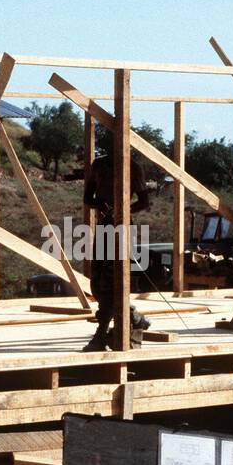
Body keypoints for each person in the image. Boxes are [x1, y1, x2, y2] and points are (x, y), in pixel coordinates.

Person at [82, 143, 151, 352]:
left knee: (113, 279)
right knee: (97, 279)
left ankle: (102, 332)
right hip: (104, 225)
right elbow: (87, 198)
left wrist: (124, 210)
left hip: (123, 228)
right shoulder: (99, 165)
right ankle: (133, 316)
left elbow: (144, 201)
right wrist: (100, 205)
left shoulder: (134, 167)